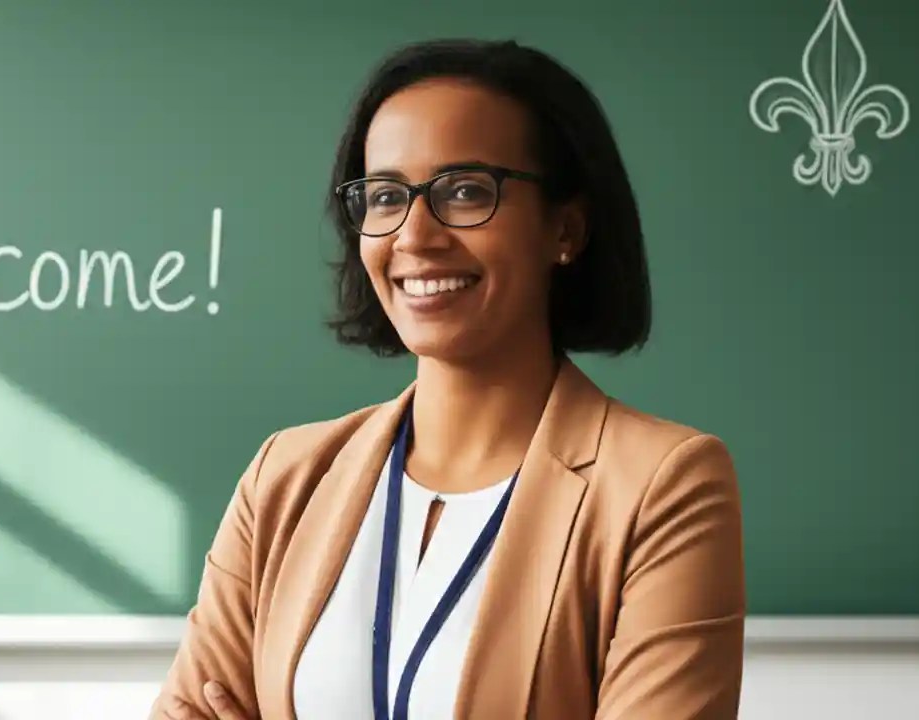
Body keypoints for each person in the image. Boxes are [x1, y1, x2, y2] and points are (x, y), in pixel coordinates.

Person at [152, 37, 745, 720]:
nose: (414, 234)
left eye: (465, 191)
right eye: (384, 196)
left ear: (567, 227)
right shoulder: (285, 478)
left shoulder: (663, 486)